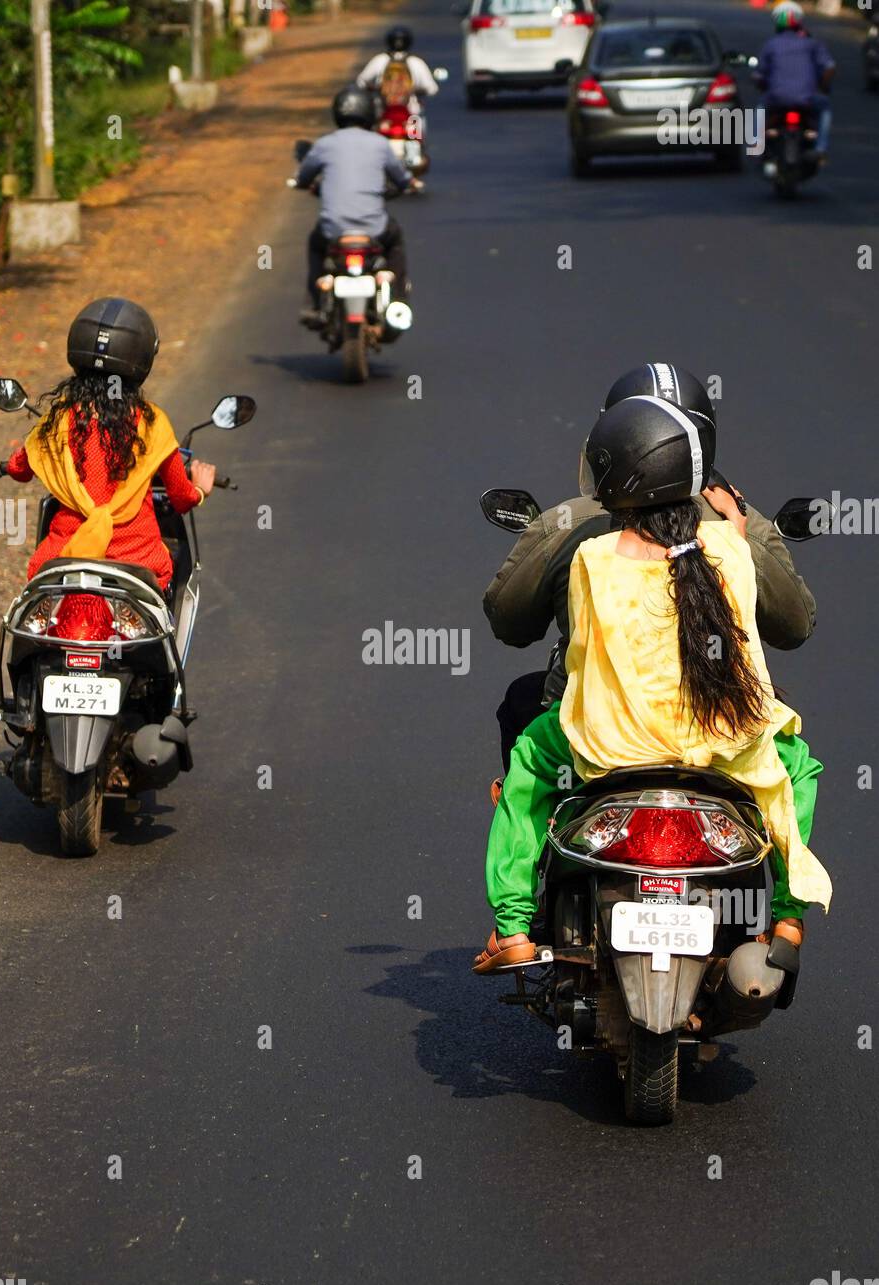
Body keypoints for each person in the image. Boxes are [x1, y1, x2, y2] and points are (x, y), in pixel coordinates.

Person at [477, 394, 831, 976]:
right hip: (722, 743)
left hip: (612, 746)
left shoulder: (593, 554)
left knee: (527, 769)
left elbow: (584, 657)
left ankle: (513, 928)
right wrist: (741, 532)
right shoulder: (730, 549)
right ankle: (789, 915)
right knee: (799, 766)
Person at [484, 364, 816, 772]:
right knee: (796, 764)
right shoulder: (736, 530)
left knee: (525, 749)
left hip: (602, 738)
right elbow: (795, 626)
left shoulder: (580, 538)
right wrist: (740, 542)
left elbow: (510, 622)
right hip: (720, 733)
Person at [6, 297, 215, 592]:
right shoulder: (153, 424)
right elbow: (181, 499)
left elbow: (19, 468)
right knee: (167, 593)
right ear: (141, 360)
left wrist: (16, 466)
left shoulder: (59, 420)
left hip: (63, 558)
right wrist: (201, 489)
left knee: (24, 614)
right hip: (136, 561)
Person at [296, 86, 420, 320]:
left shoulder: (324, 144)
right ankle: (400, 300)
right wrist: (407, 184)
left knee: (315, 243)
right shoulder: (380, 144)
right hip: (374, 228)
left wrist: (303, 183)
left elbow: (304, 176)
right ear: (370, 113)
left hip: (333, 229)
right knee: (395, 239)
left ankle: (313, 300)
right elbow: (401, 178)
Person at [757, 1, 835, 159]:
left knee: (760, 107)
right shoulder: (811, 43)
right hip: (807, 99)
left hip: (776, 98)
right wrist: (824, 86)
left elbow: (759, 74)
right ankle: (821, 148)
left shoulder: (771, 44)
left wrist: (762, 84)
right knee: (825, 107)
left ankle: (756, 143)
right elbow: (829, 67)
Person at [356, 26, 439, 118]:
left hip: (384, 114)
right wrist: (416, 91)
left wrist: (376, 89)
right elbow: (432, 89)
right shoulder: (416, 62)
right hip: (412, 115)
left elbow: (361, 81)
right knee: (415, 131)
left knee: (374, 129)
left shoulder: (379, 60)